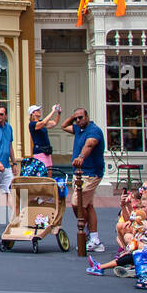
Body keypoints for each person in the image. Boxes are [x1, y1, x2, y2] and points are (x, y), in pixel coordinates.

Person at [62, 107, 106, 252]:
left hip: (91, 173)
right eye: (76, 119)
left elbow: (90, 144)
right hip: (80, 173)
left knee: (77, 204)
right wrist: (72, 116)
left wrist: (81, 157)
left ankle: (87, 231)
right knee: (88, 206)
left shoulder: (94, 130)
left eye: (81, 117)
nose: (78, 120)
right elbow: (63, 126)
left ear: (87, 117)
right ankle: (95, 238)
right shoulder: (78, 128)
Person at [27, 103, 60, 169]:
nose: (39, 111)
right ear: (33, 113)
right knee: (43, 170)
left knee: (49, 170)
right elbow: (43, 123)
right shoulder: (32, 124)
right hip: (39, 151)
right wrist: (52, 111)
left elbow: (54, 123)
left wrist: (58, 113)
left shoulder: (41, 122)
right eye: (37, 110)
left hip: (46, 150)